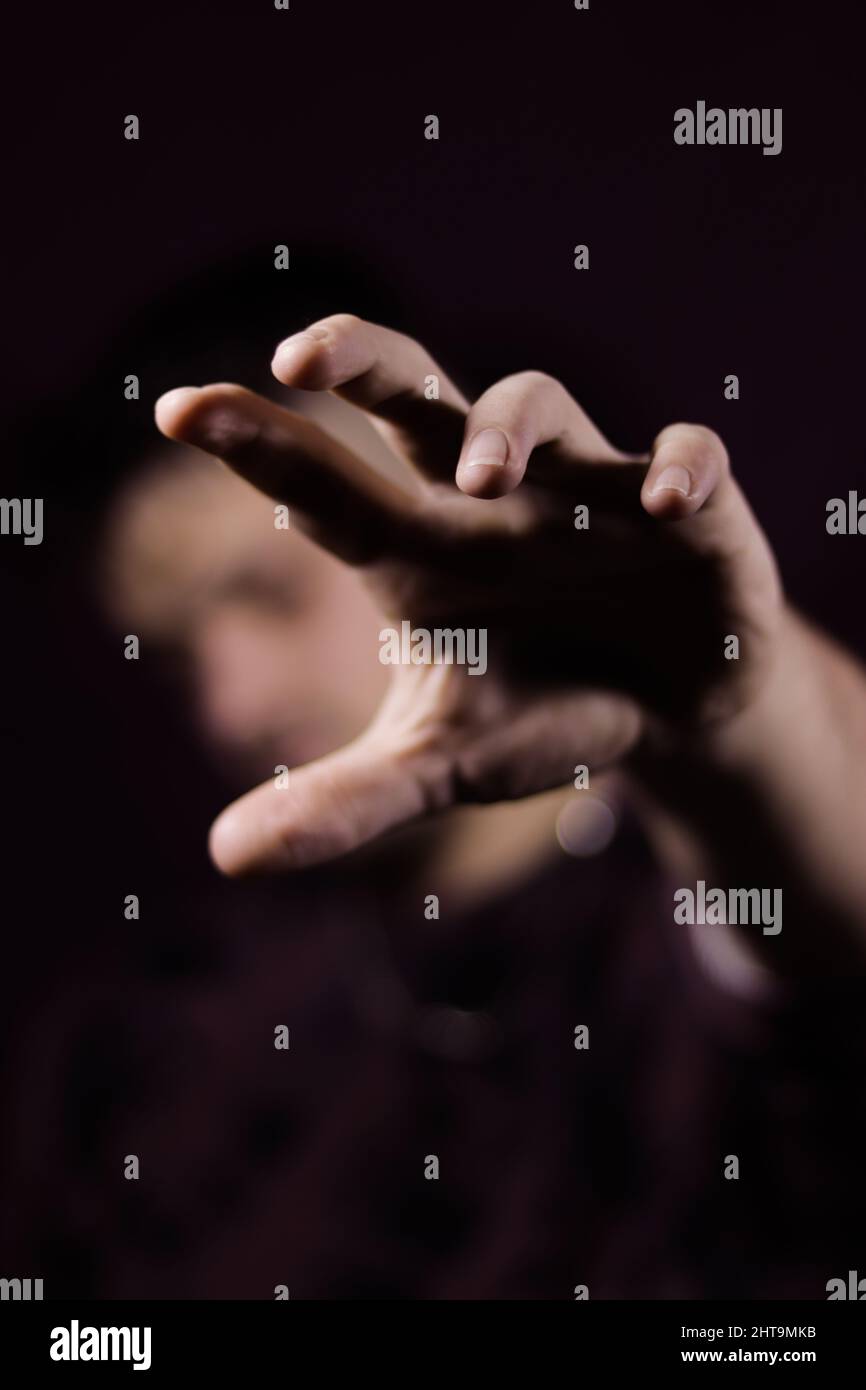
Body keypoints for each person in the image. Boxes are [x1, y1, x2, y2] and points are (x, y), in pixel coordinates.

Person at [4, 291, 866, 1301]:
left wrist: (745, 722)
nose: (230, 705)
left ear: (452, 514)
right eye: (179, 655)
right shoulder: (132, 1055)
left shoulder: (717, 930)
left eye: (272, 592)